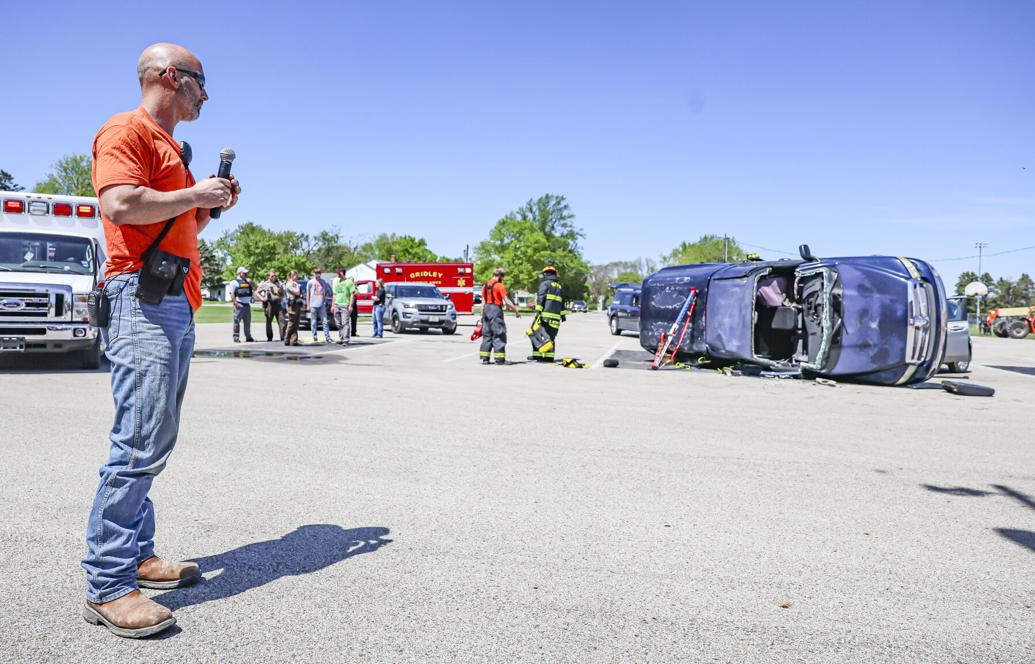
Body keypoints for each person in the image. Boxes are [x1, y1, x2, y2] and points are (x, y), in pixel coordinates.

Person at [82, 42, 241, 638]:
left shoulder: (172, 148)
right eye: (201, 82)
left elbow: (174, 222)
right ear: (172, 77)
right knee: (138, 440)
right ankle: (108, 582)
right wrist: (194, 194)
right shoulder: (126, 130)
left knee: (155, 433)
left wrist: (205, 205)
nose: (205, 94)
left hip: (172, 299)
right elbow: (121, 204)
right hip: (141, 300)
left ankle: (140, 558)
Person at [479, 267, 521, 365]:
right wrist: (516, 311)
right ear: (501, 276)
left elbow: (483, 302)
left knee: (487, 334)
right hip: (495, 310)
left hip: (486, 310)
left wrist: (482, 316)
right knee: (499, 334)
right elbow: (507, 301)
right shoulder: (500, 286)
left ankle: (485, 358)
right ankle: (499, 360)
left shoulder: (484, 285)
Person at [530, 264, 565, 362]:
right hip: (556, 318)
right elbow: (562, 302)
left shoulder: (545, 284)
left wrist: (538, 311)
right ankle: (549, 357)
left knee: (535, 333)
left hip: (545, 316)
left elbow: (541, 298)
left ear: (546, 273)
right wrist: (563, 315)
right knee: (551, 337)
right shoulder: (559, 286)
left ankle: (537, 355)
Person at [256, 269, 286, 342]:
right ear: (268, 277)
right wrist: (262, 299)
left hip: (279, 305)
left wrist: (283, 299)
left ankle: (283, 337)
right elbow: (256, 292)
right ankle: (269, 337)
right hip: (270, 304)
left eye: (275, 276)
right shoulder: (265, 284)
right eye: (272, 276)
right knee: (269, 321)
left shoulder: (279, 284)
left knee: (282, 320)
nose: (274, 277)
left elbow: (283, 294)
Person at [306, 268, 332, 343]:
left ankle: (327, 337)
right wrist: (308, 305)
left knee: (325, 321)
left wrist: (324, 300)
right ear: (314, 273)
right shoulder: (310, 282)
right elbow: (308, 294)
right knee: (313, 322)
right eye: (316, 272)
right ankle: (314, 337)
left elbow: (326, 292)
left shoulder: (323, 282)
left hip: (322, 304)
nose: (317, 274)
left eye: (319, 272)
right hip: (313, 304)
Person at [331, 267, 356, 345]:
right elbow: (334, 294)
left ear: (343, 273)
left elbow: (352, 294)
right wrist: (332, 305)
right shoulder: (337, 282)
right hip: (336, 305)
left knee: (345, 323)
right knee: (338, 323)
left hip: (345, 305)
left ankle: (346, 339)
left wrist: (351, 306)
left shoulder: (349, 282)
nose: (338, 274)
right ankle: (342, 338)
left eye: (339, 272)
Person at [230, 266, 255, 342]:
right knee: (237, 321)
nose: (246, 274)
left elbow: (255, 288)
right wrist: (235, 302)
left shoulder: (248, 282)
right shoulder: (234, 282)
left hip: (247, 304)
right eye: (244, 273)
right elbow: (232, 293)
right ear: (240, 273)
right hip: (239, 304)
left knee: (247, 322)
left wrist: (252, 282)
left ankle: (248, 336)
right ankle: (236, 336)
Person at [283, 270, 302, 346]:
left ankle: (293, 340)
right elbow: (297, 292)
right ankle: (286, 338)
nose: (296, 277)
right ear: (291, 276)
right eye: (294, 275)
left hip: (297, 304)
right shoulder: (289, 284)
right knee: (291, 323)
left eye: (296, 275)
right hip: (292, 305)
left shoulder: (295, 283)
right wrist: (298, 286)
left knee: (296, 323)